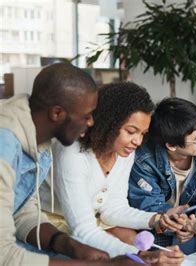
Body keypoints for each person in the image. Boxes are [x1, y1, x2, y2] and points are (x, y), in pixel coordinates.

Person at [0, 63, 142, 265]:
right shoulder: (4, 146)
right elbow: (5, 256)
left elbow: (22, 212)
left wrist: (68, 244)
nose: (92, 122)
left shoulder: (38, 137)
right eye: (86, 115)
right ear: (57, 114)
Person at [40, 82, 184, 265]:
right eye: (131, 131)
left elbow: (113, 209)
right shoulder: (72, 153)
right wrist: (137, 255)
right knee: (124, 252)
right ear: (108, 122)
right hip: (52, 225)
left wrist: (156, 219)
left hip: (91, 221)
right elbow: (83, 230)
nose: (138, 141)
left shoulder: (123, 152)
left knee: (130, 239)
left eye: (143, 133)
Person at [128, 97, 196, 254]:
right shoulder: (143, 159)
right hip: (161, 222)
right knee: (152, 239)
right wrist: (185, 225)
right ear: (171, 145)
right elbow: (148, 206)